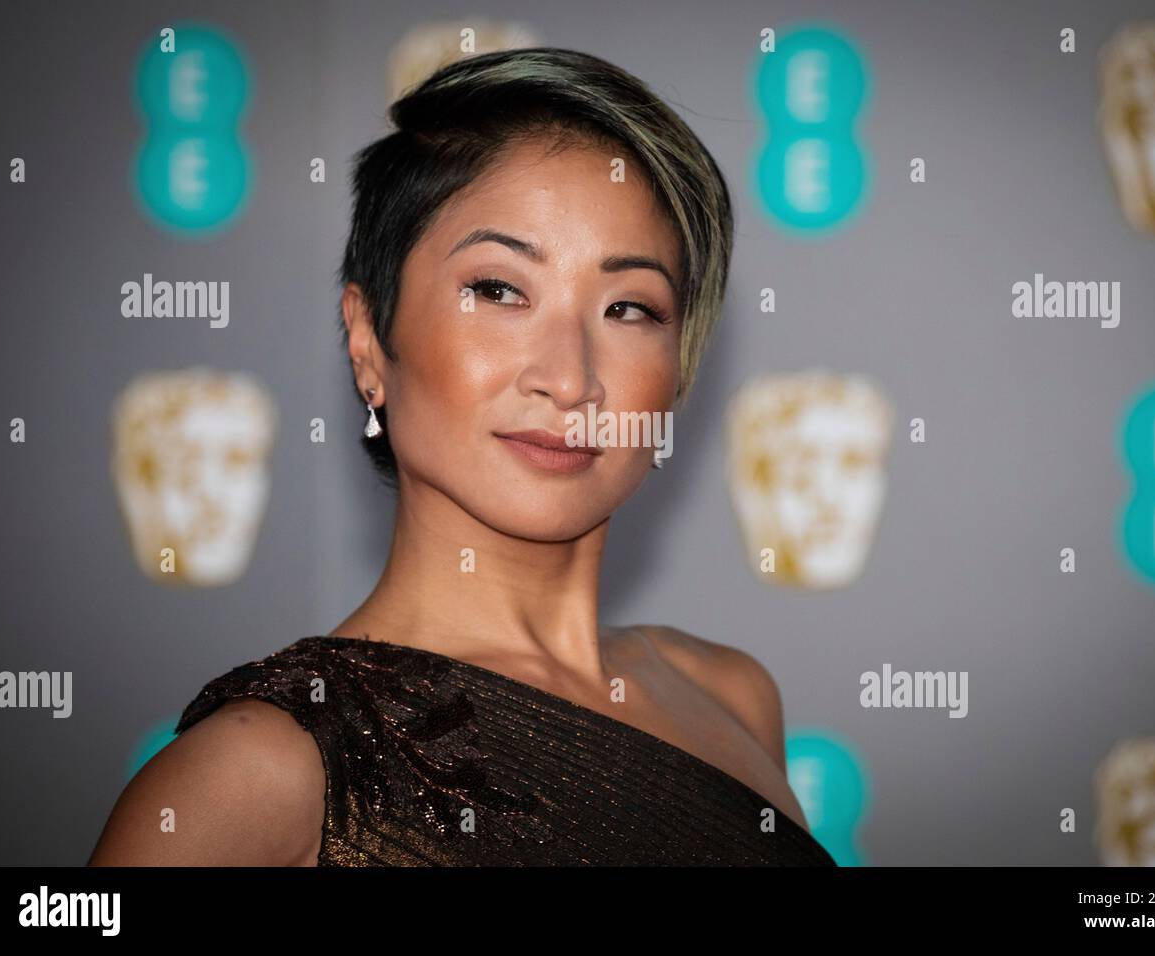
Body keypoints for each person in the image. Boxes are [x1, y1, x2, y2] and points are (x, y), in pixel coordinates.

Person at [88, 46, 836, 866]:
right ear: (369, 339)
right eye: (499, 290)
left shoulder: (732, 694)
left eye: (629, 307)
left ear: (680, 374)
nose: (569, 378)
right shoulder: (263, 774)